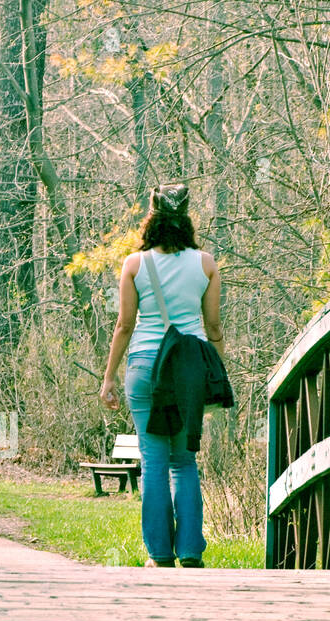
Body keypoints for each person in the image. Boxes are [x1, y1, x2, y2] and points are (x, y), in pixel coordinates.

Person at [98, 184, 227, 568]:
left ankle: (159, 554)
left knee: (153, 462)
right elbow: (214, 327)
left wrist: (108, 378)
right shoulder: (206, 264)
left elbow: (124, 324)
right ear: (187, 217)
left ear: (150, 217)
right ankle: (189, 551)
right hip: (189, 370)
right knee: (184, 462)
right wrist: (215, 371)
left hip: (144, 369)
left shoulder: (135, 265)